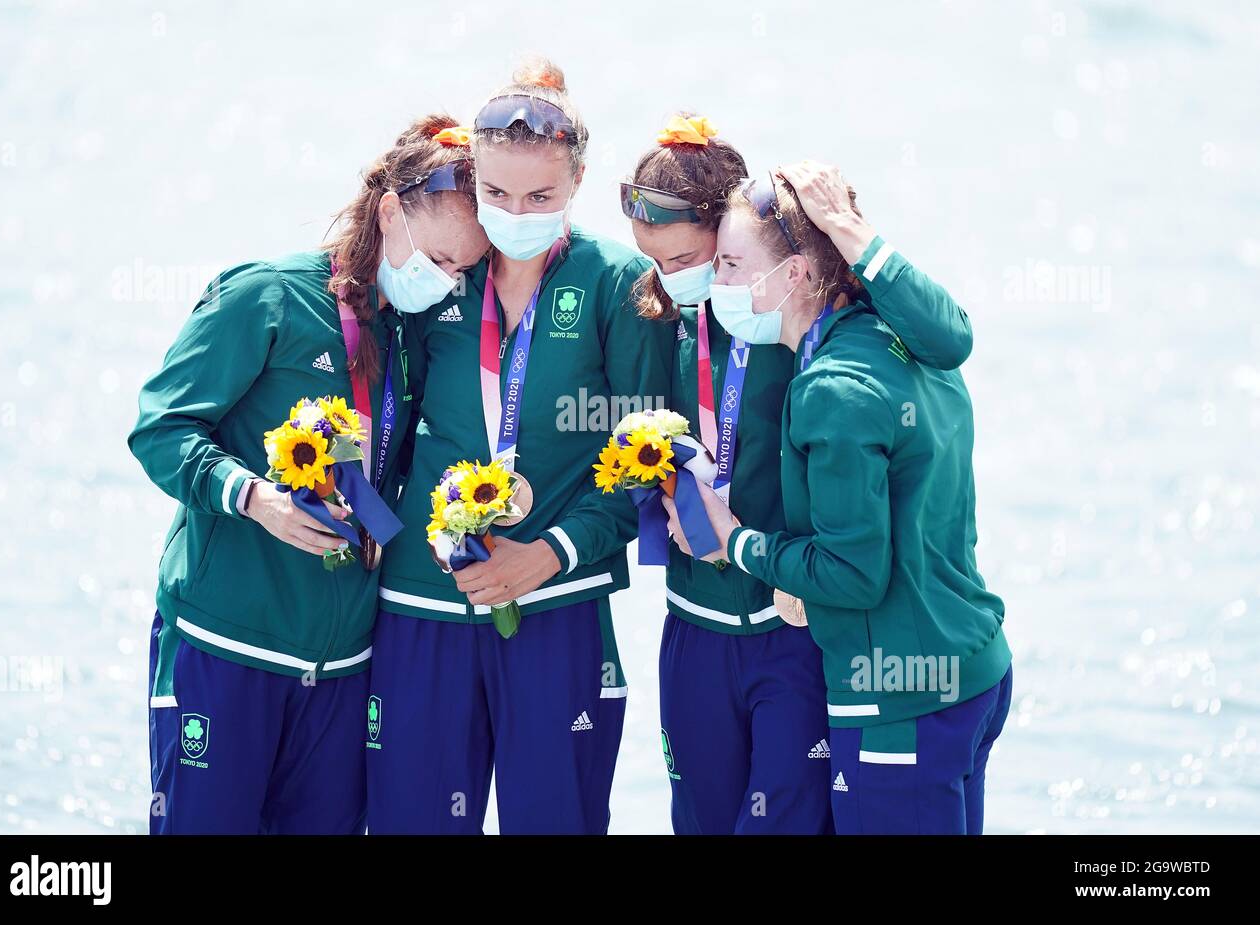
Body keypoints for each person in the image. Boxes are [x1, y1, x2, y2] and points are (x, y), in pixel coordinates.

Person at [129, 114, 489, 834]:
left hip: (343, 669)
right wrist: (252, 496)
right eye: (441, 259)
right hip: (227, 650)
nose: (446, 283)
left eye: (462, 271)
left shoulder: (407, 335)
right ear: (390, 211)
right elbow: (159, 427)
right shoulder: (264, 297)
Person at [626, 116, 974, 834]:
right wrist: (658, 503)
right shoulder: (664, 311)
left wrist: (849, 227)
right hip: (695, 625)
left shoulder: (798, 321)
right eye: (656, 263)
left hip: (793, 627)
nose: (678, 279)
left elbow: (947, 337)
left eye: (699, 258)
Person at [365, 59, 674, 835]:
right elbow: (380, 419)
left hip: (557, 605)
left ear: (577, 182)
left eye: (540, 196)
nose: (514, 212)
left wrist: (553, 553)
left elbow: (646, 460)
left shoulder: (617, 284)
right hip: (422, 601)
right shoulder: (441, 267)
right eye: (495, 194)